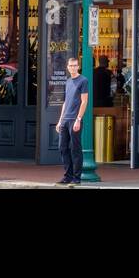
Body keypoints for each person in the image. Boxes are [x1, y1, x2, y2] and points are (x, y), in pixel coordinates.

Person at [56, 57, 89, 185]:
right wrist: (60, 121)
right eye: (70, 66)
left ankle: (77, 178)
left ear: (78, 66)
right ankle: (67, 176)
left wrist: (78, 119)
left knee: (75, 149)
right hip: (65, 120)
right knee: (62, 147)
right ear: (68, 67)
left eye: (75, 65)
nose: (73, 68)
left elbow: (84, 101)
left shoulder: (83, 80)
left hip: (75, 120)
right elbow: (65, 102)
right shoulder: (68, 81)